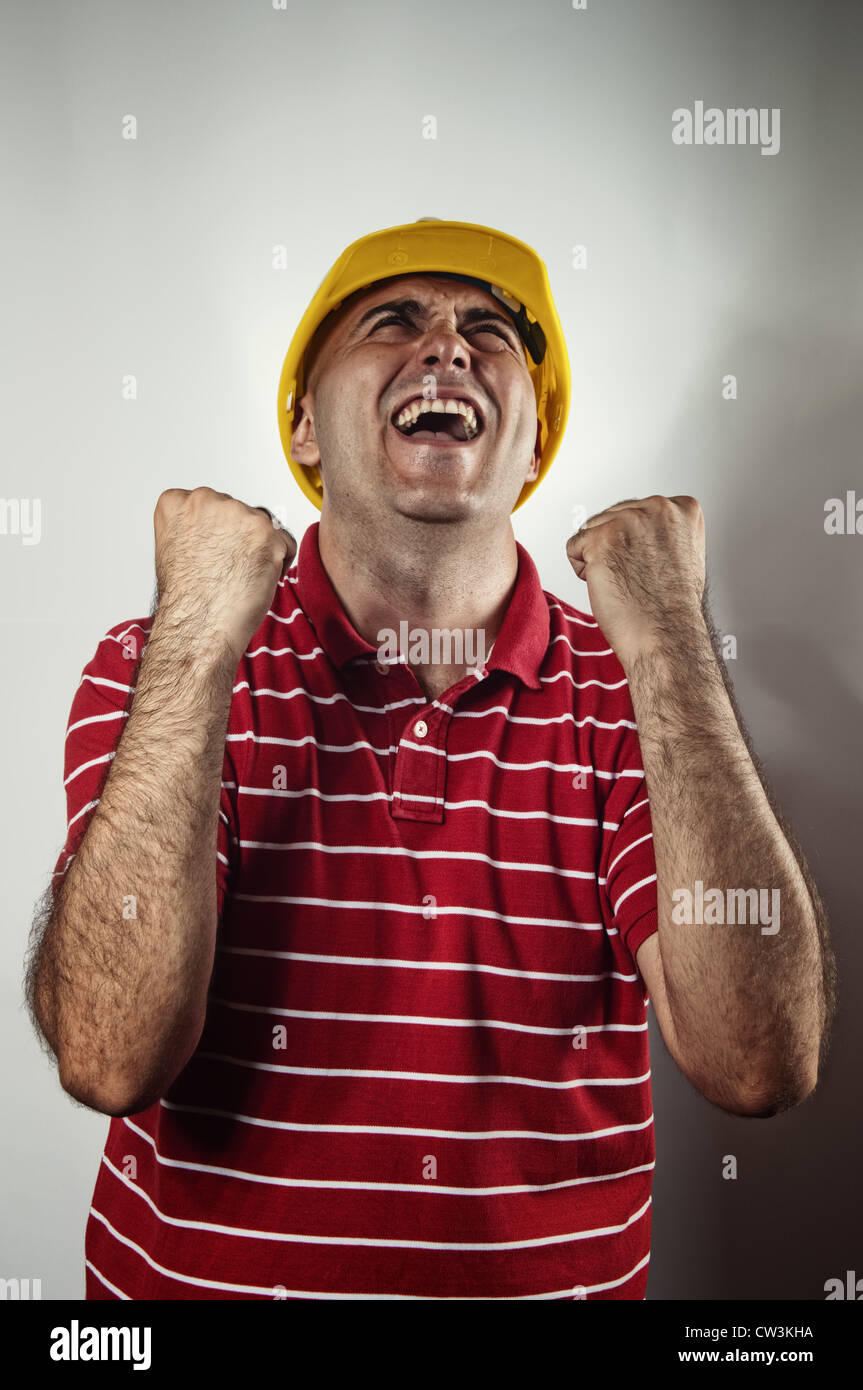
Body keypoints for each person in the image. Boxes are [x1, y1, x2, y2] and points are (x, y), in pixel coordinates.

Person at [25, 219, 836, 1301]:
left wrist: (673, 644)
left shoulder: (633, 689)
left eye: (489, 332)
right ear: (304, 424)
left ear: (535, 445)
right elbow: (108, 1054)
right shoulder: (159, 665)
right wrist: (198, 643)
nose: (447, 350)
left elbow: (758, 1064)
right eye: (394, 320)